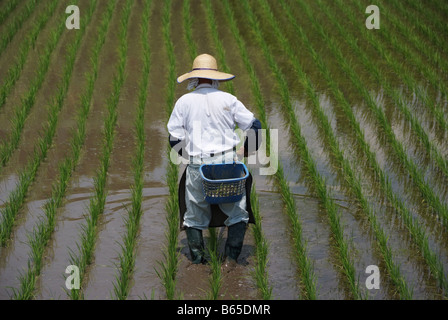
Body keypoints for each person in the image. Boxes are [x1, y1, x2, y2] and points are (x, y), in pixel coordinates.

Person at [167, 53, 261, 266]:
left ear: (194, 79)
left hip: (199, 165)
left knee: (194, 214)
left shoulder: (184, 102)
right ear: (216, 78)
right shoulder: (229, 100)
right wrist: (247, 150)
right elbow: (255, 126)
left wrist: (190, 158)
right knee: (237, 211)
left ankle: (199, 261)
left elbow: (174, 138)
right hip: (229, 163)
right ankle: (231, 260)